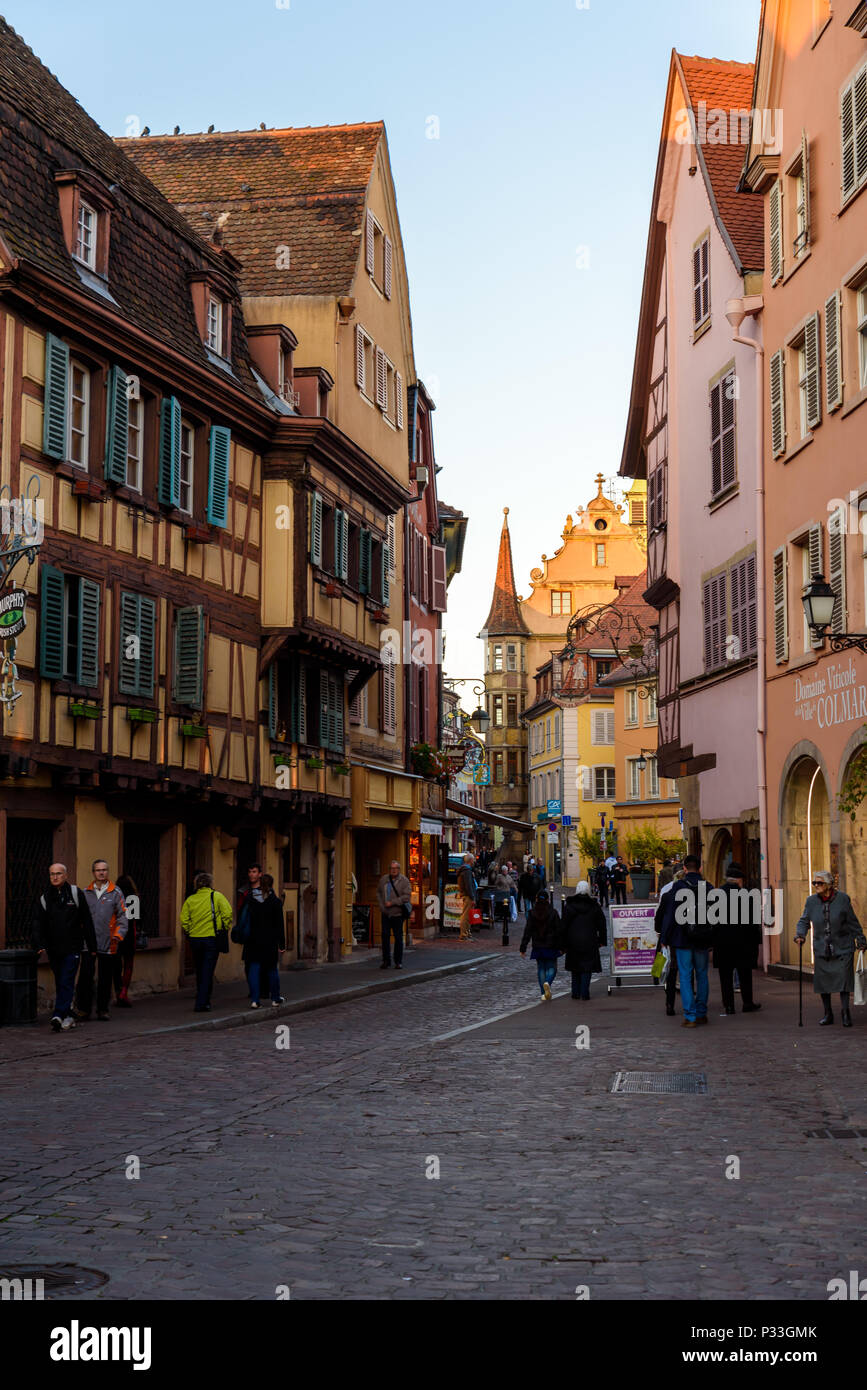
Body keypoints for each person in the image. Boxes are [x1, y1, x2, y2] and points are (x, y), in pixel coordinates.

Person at [794, 870, 867, 1027]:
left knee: (844, 983)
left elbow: (852, 922)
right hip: (822, 948)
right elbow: (804, 920)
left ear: (828, 885)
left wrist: (860, 939)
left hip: (843, 947)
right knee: (823, 983)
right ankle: (828, 1014)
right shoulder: (811, 901)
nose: (816, 886)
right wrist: (800, 935)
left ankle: (845, 1012)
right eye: (814, 883)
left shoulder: (842, 899)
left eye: (819, 883)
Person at [34, 863, 97, 1033]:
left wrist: (92, 946)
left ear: (66, 875)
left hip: (73, 947)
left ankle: (58, 1014)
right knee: (61, 981)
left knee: (67, 980)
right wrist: (39, 944)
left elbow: (87, 920)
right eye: (52, 874)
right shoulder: (45, 898)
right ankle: (68, 1014)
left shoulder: (76, 894)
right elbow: (38, 923)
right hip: (54, 949)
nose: (55, 877)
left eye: (59, 874)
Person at [659, 854, 713, 1027]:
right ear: (700, 868)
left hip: (682, 938)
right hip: (702, 938)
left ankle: (690, 1016)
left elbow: (670, 915)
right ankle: (701, 1013)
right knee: (702, 975)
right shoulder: (709, 887)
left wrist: (665, 937)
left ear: (684, 868)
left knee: (685, 976)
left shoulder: (677, 887)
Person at [75, 860, 128, 1022]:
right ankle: (83, 1009)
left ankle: (103, 1009)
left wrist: (118, 936)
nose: (101, 873)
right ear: (93, 873)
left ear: (107, 872)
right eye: (98, 870)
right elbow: (79, 917)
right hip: (88, 943)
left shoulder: (116, 892)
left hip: (108, 943)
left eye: (104, 870)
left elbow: (123, 917)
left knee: (105, 978)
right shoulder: (85, 893)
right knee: (85, 976)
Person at [713, 862, 762, 1016]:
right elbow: (754, 922)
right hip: (744, 942)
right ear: (739, 880)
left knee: (725, 976)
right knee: (745, 974)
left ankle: (729, 1006)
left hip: (723, 942)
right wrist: (756, 941)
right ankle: (747, 1003)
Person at [181, 871, 233, 1012]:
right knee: (207, 971)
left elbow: (184, 920)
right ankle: (202, 1002)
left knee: (199, 969)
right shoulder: (216, 896)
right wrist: (224, 927)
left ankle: (203, 996)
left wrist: (190, 931)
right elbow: (228, 913)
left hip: (195, 939)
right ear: (210, 883)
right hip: (211, 938)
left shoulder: (190, 900)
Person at [561, 881, 607, 1000]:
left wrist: (563, 943)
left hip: (573, 939)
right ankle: (584, 992)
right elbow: (602, 924)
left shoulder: (569, 906)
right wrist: (602, 939)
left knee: (575, 966)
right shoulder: (594, 905)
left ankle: (575, 992)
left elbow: (563, 926)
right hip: (590, 939)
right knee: (587, 967)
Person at [246, 873, 286, 1007]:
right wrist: (282, 943)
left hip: (253, 938)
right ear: (271, 884)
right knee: (272, 969)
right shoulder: (275, 901)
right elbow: (280, 925)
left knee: (254, 968)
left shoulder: (251, 898)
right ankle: (275, 998)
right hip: (270, 940)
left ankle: (254, 1000)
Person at [519, 890, 562, 1001]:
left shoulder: (532, 913)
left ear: (537, 899)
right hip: (551, 945)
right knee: (552, 968)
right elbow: (559, 931)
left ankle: (543, 993)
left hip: (538, 945)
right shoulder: (553, 913)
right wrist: (561, 946)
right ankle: (547, 982)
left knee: (541, 968)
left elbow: (527, 931)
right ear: (548, 900)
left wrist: (523, 947)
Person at [655, 867, 684, 1015]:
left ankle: (669, 1003)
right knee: (686, 972)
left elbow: (659, 917)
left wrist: (660, 933)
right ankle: (688, 1002)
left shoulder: (667, 895)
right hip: (685, 939)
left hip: (670, 939)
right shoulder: (689, 895)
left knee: (671, 973)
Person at [377, 860, 412, 967]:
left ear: (399, 870)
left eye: (395, 868)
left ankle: (398, 961)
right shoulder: (384, 879)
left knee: (398, 938)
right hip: (386, 914)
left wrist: (392, 902)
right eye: (391, 868)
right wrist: (382, 906)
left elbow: (406, 896)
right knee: (385, 937)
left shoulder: (404, 881)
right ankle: (386, 961)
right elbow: (378, 892)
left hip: (398, 914)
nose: (393, 870)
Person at [237, 863, 264, 996]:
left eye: (254, 872)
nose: (251, 874)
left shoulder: (266, 891)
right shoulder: (244, 891)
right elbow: (240, 911)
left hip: (262, 933)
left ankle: (262, 989)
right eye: (250, 872)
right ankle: (253, 988)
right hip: (249, 933)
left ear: (260, 874)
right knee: (249, 963)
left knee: (262, 963)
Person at [113, 873, 138, 1007]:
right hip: (129, 935)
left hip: (116, 934)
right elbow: (137, 918)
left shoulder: (114, 897)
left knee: (116, 966)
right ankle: (123, 992)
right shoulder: (133, 898)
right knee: (128, 964)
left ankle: (118, 993)